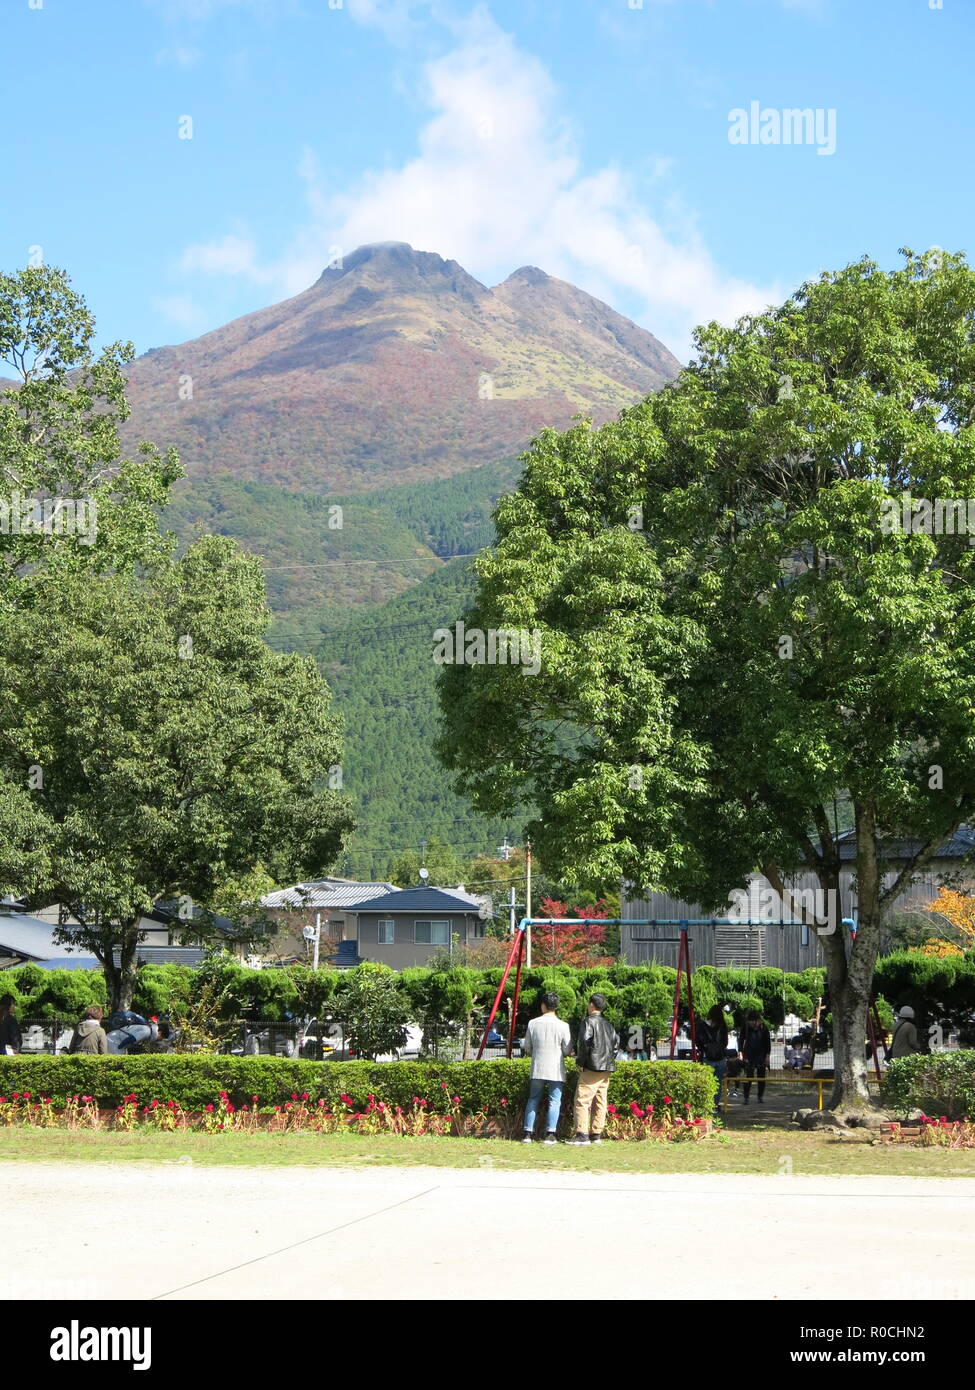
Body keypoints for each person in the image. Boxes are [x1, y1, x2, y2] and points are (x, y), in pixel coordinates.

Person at [567, 994, 619, 1145]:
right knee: (600, 1100)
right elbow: (616, 1045)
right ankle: (596, 1133)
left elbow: (584, 1043)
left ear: (591, 1005)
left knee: (582, 1099)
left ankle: (582, 1134)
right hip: (607, 1067)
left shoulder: (588, 1022)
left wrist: (581, 1061)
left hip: (592, 1066)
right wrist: (609, 1059)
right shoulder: (609, 1025)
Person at [521, 992, 572, 1144]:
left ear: (543, 1005)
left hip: (538, 1067)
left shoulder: (532, 1023)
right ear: (556, 1007)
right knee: (554, 1101)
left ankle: (527, 1133)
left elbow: (528, 1048)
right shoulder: (564, 1025)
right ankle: (550, 1134)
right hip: (556, 1069)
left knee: (533, 1098)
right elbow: (567, 1050)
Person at [697, 1004, 730, 1110]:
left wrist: (705, 1048)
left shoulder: (702, 1025)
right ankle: (714, 1105)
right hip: (720, 1058)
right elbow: (725, 1043)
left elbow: (698, 1041)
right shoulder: (723, 1026)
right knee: (718, 1083)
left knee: (707, 1082)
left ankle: (707, 1105)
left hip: (707, 1058)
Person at [740, 1010, 772, 1104]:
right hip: (748, 1055)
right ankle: (746, 1097)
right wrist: (740, 1052)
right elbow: (741, 1039)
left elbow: (767, 1042)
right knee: (748, 1077)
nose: (754, 1023)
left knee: (761, 1077)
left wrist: (767, 1055)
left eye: (755, 1020)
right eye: (751, 1021)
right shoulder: (745, 1027)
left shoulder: (763, 1027)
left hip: (761, 1054)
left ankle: (760, 1096)